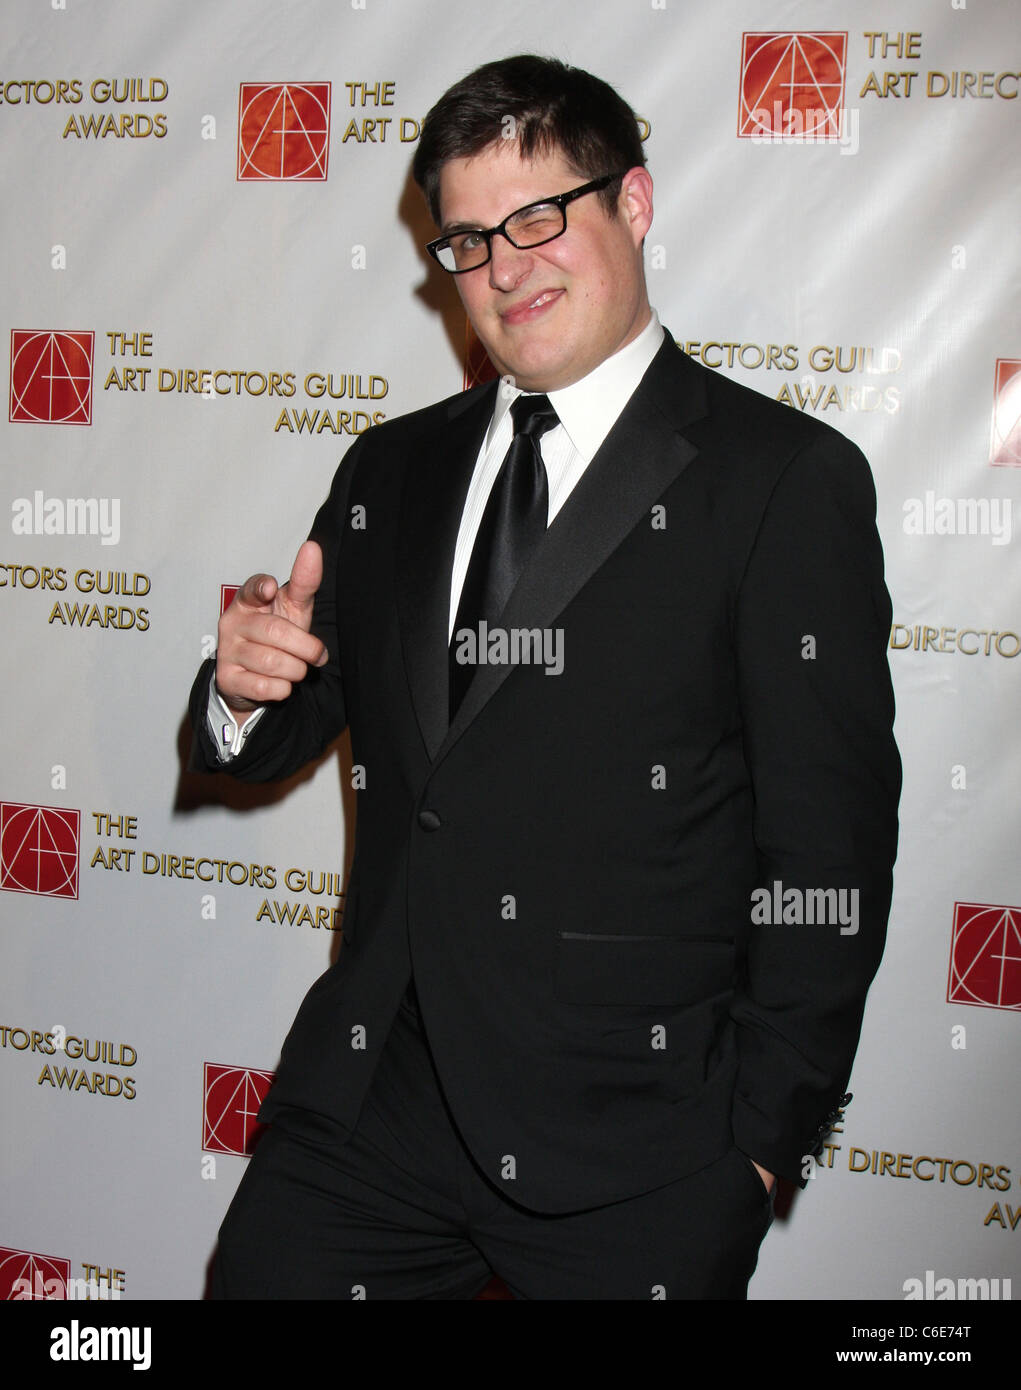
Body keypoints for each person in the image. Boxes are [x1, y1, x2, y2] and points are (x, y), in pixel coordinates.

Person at [189, 54, 901, 1299]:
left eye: (537, 217)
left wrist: (757, 1155)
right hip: (373, 1107)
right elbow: (287, 719)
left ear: (632, 203)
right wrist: (242, 689)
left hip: (636, 1146)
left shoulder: (782, 481)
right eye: (468, 241)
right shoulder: (390, 469)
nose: (504, 267)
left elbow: (828, 851)